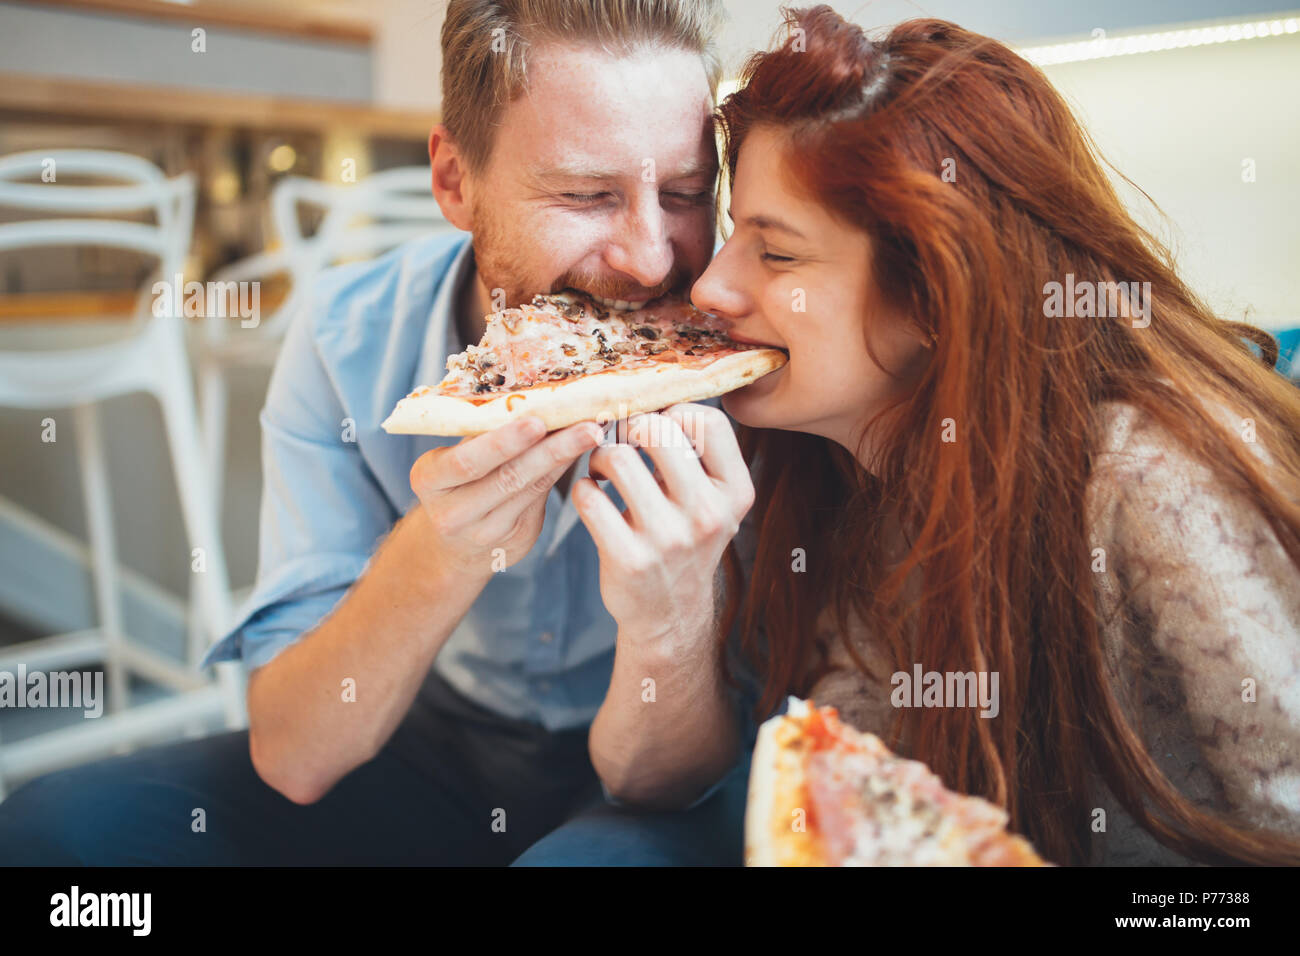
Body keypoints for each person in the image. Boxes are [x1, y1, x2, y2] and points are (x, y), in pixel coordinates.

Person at [0, 0, 757, 866]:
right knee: (49, 834)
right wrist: (442, 549)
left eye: (689, 195)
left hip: (661, 763)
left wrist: (673, 622)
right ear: (453, 181)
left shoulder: (752, 356)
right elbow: (294, 755)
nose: (654, 258)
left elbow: (675, 775)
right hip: (427, 739)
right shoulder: (343, 341)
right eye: (587, 195)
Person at [682, 6, 1300, 865]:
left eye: (776, 254)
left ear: (936, 295)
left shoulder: (1155, 480)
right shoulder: (843, 478)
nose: (709, 288)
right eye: (729, 233)